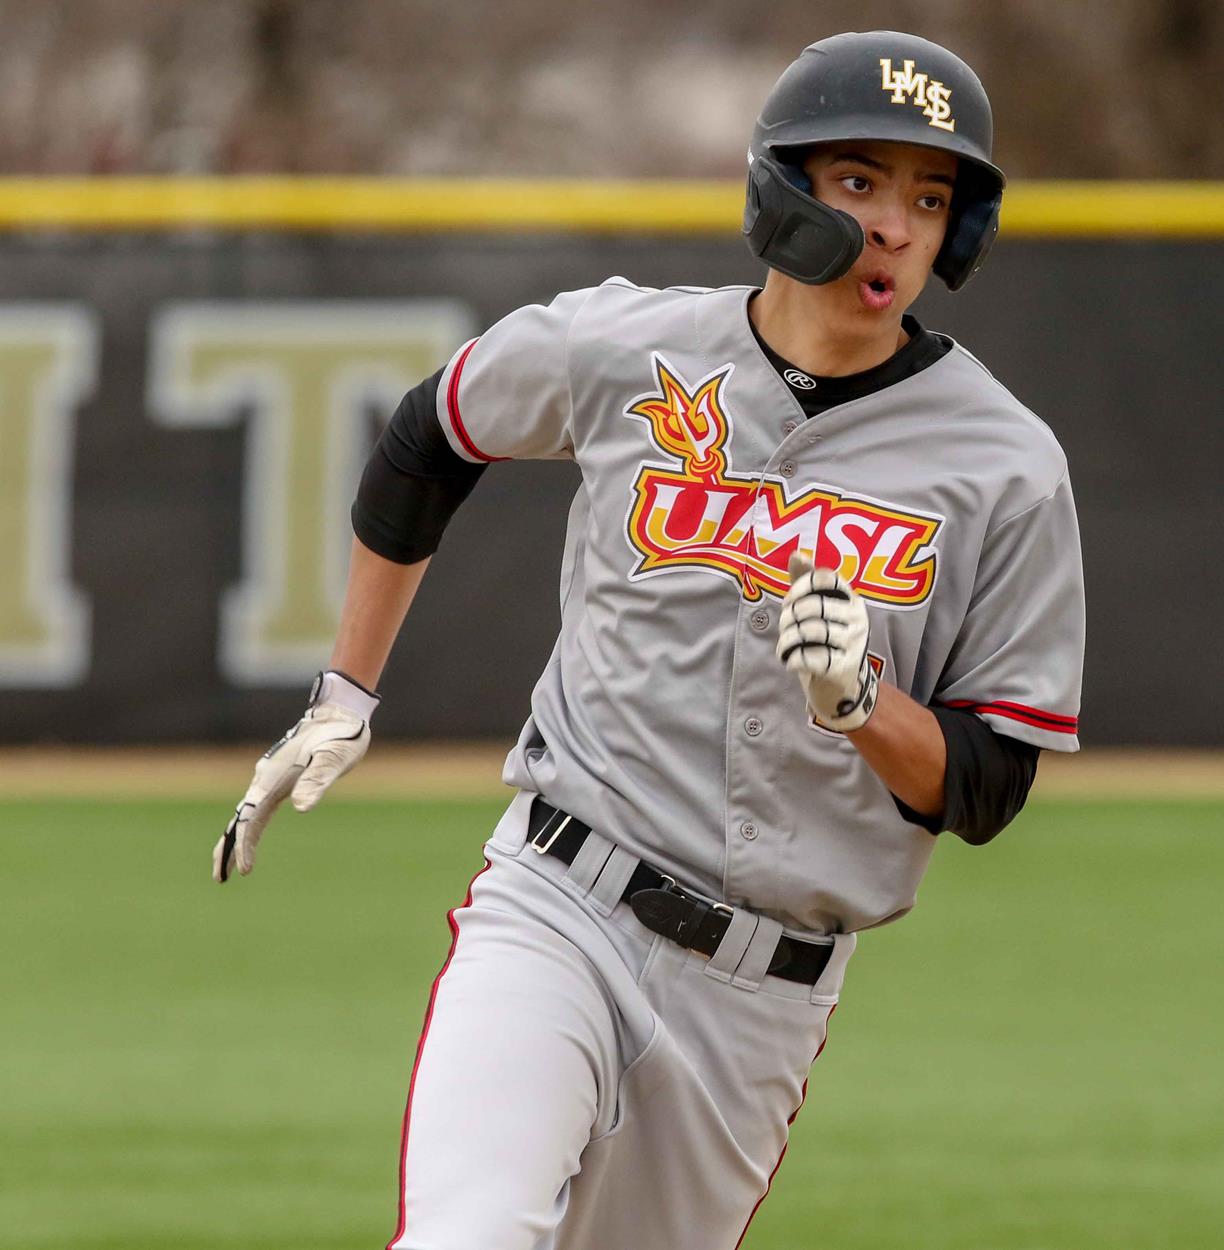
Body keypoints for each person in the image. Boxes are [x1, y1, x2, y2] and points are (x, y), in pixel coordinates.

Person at [209, 29, 1084, 1250]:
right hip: (559, 900)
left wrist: (861, 706)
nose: (893, 226)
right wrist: (346, 688)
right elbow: (432, 434)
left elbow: (988, 782)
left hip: (760, 994)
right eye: (859, 181)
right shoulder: (626, 347)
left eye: (929, 198)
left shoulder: (1005, 463)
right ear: (782, 190)